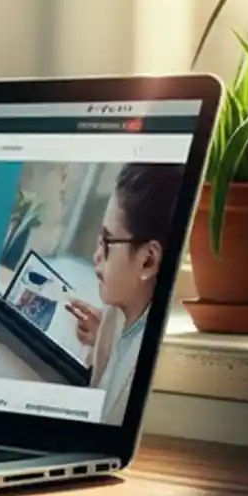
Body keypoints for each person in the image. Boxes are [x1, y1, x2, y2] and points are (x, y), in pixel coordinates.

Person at [64, 163, 184, 424]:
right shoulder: (115, 315)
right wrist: (100, 344)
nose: (97, 255)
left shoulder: (151, 363)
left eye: (107, 242)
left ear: (148, 261)